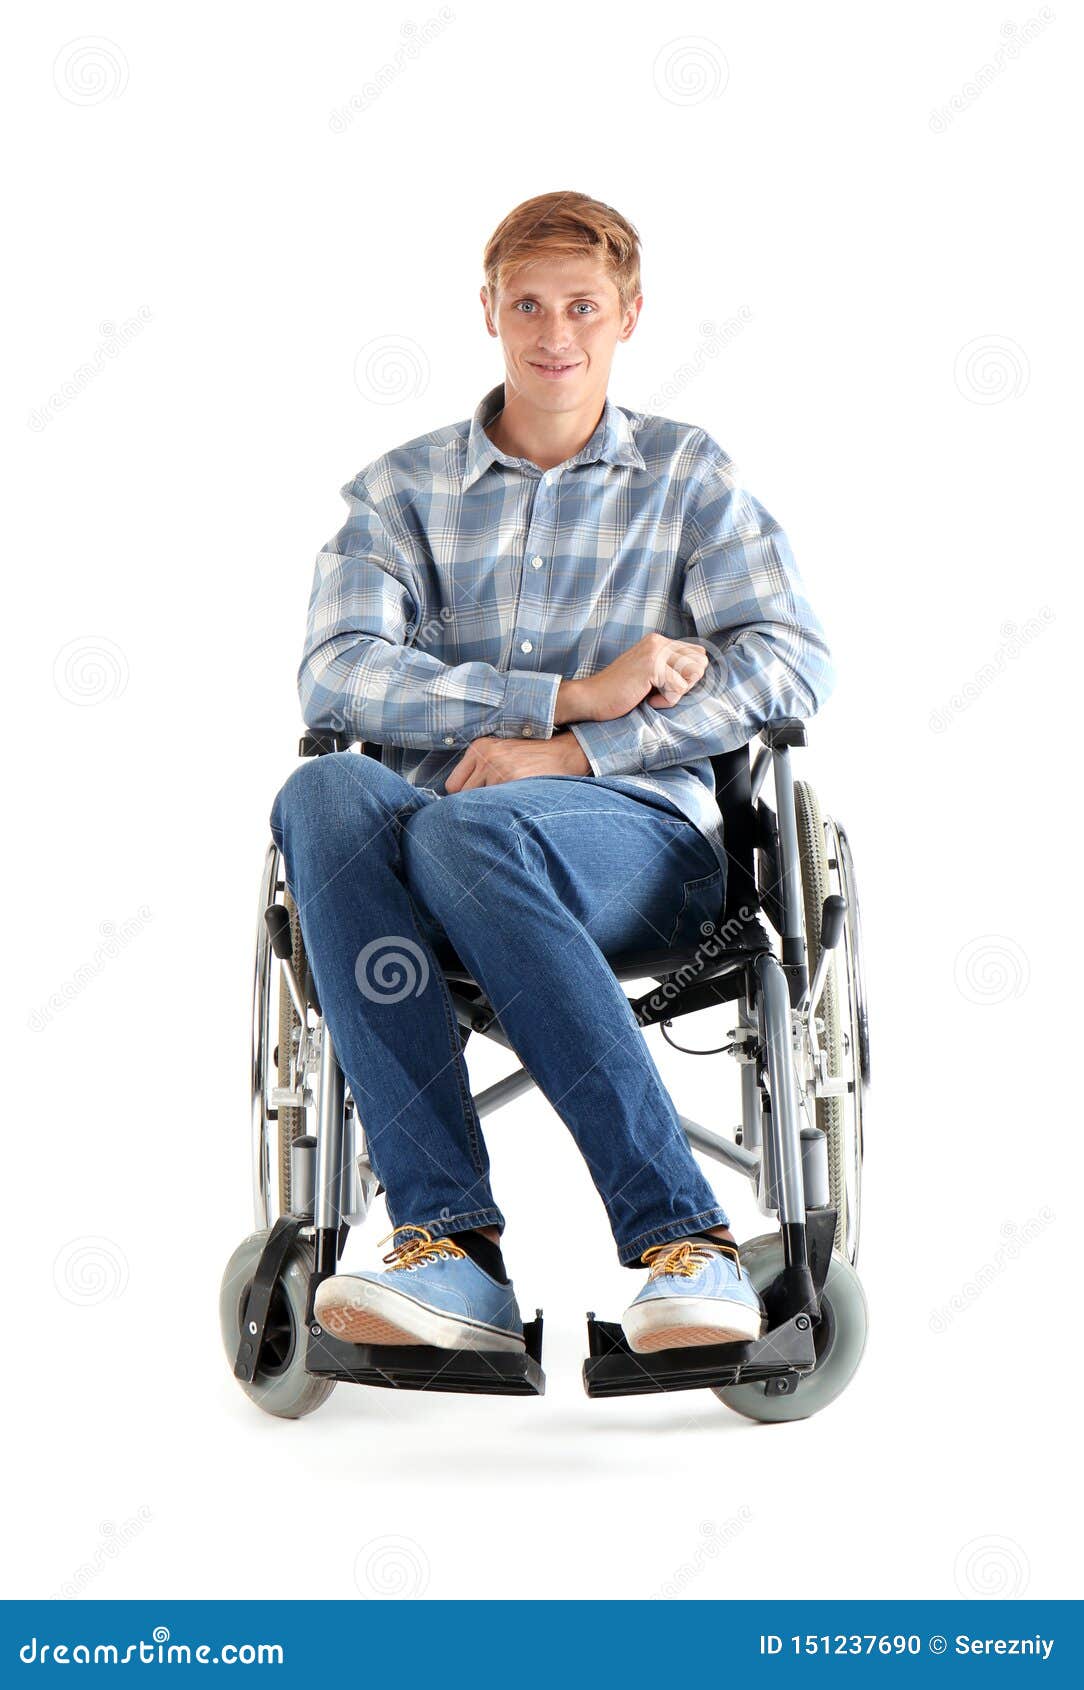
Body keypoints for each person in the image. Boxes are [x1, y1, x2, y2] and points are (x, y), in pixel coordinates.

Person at [269, 190, 835, 1359]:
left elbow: (788, 663)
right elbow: (333, 675)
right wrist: (561, 697)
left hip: (636, 846)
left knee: (469, 833)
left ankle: (687, 1237)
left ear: (628, 315)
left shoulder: (685, 478)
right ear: (486, 310)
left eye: (582, 305)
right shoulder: (400, 494)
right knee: (325, 794)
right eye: (526, 304)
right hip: (424, 860)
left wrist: (581, 751)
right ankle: (451, 1250)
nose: (553, 333)